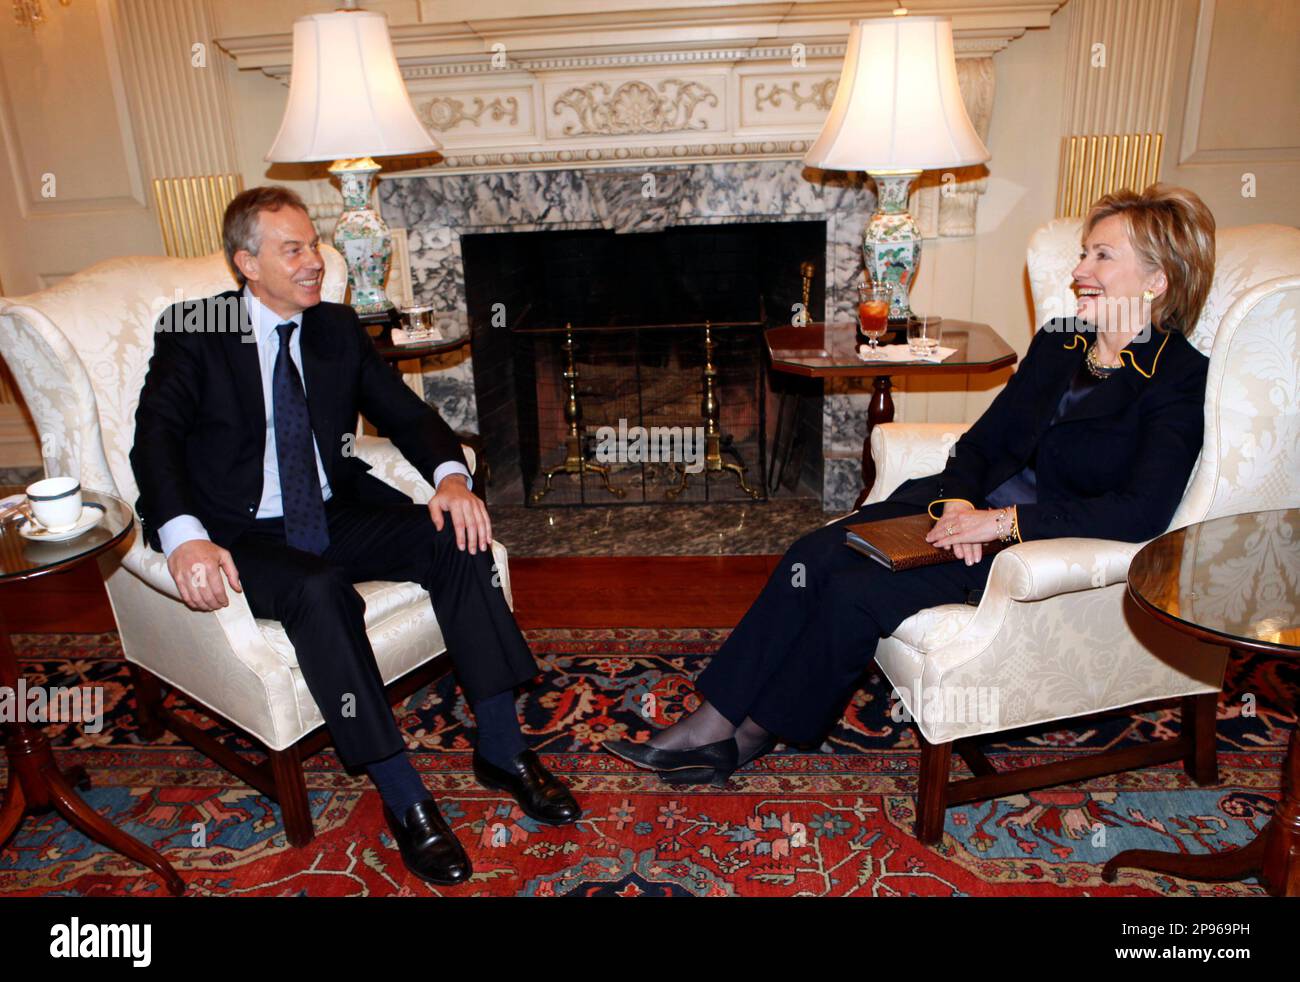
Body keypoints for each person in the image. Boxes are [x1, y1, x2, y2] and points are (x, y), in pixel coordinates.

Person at [607, 184, 1217, 784]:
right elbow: (985, 442)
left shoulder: (1180, 380)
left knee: (852, 595)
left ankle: (751, 732)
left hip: (1034, 544)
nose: (1080, 268)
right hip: (963, 510)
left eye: (1101, 255)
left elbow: (1142, 511)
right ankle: (714, 718)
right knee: (812, 555)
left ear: (1157, 280)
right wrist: (959, 500)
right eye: (1083, 252)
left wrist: (999, 524)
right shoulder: (1061, 341)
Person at [131, 186, 580, 886]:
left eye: (314, 244)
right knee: (319, 589)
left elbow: (404, 412)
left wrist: (450, 478)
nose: (315, 261)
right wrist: (184, 534)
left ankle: (502, 746)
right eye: (294, 250)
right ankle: (406, 797)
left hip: (332, 506)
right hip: (238, 530)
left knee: (453, 538)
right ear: (247, 263)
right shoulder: (197, 328)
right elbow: (153, 443)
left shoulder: (335, 327)